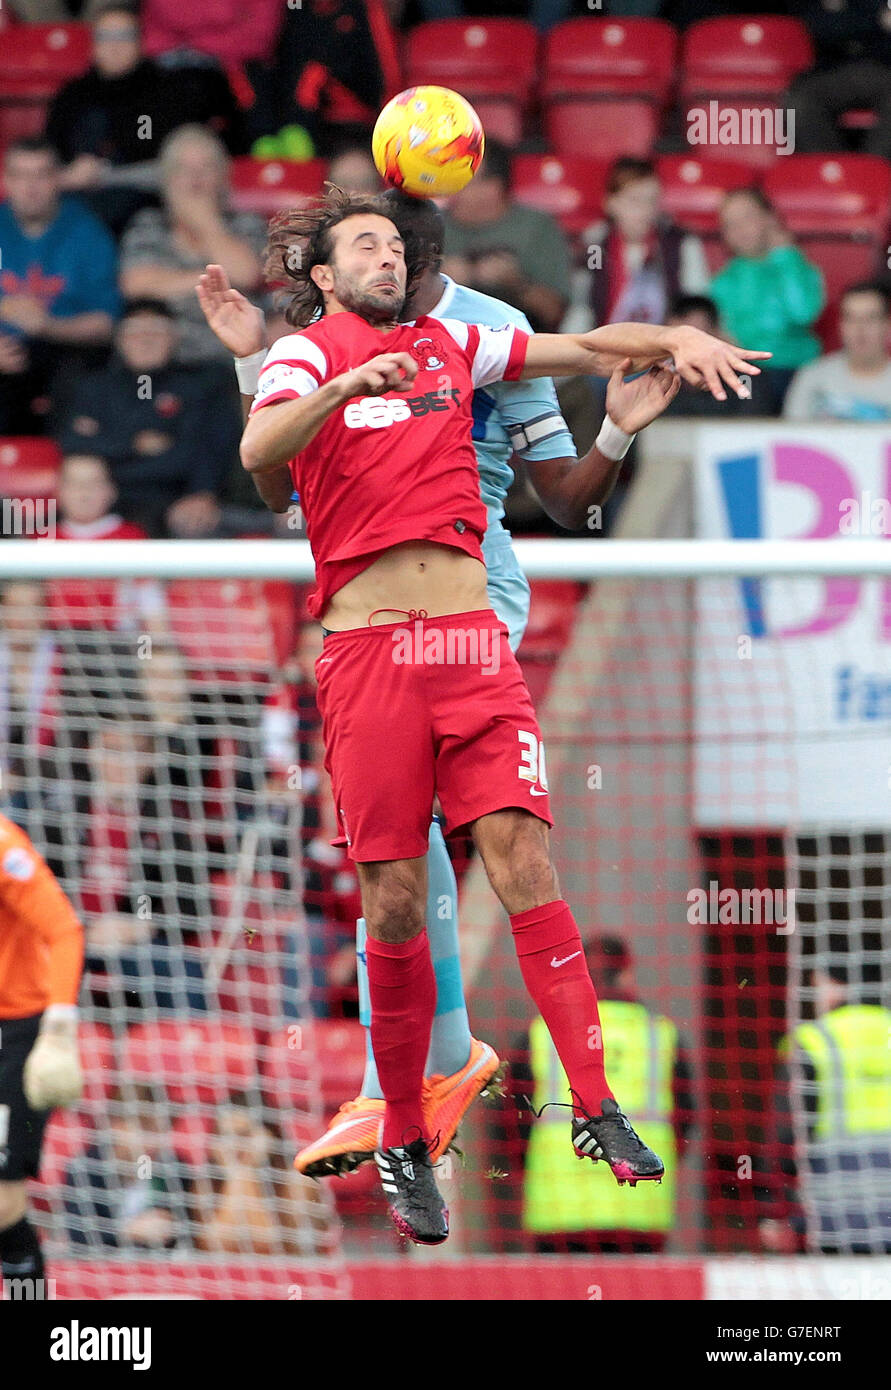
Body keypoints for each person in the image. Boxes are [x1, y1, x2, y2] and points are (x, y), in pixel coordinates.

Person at [234, 186, 767, 1243]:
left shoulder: (454, 344)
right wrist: (343, 386)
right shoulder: (305, 358)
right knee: (390, 901)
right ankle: (404, 1132)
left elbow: (572, 347)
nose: (389, 256)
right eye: (365, 248)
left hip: (473, 647)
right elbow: (259, 455)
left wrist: (667, 335)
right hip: (369, 653)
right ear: (326, 278)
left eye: (396, 243)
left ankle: (596, 1103)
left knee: (526, 859)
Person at [509, 936, 694, 1254]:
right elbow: (686, 1119)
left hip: (558, 1210)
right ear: (626, 975)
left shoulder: (540, 1032)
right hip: (640, 1210)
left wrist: (533, 1167)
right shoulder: (660, 1034)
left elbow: (512, 1121)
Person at [44, 3, 244, 235]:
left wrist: (105, 175)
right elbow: (47, 160)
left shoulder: (171, 90)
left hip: (153, 208)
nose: (114, 46)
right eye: (105, 36)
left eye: (124, 36)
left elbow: (184, 162)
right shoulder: (71, 96)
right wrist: (68, 176)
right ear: (92, 44)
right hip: (78, 204)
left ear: (140, 42)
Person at [56, 298, 238, 536]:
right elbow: (71, 443)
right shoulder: (92, 386)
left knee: (197, 524)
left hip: (175, 500)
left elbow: (203, 451)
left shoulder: (203, 386)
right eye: (134, 331)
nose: (145, 339)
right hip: (103, 498)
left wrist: (202, 493)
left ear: (175, 338)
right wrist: (133, 444)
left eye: (156, 331)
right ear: (119, 339)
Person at [0, 812, 84, 1298]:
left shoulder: (5, 845)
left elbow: (65, 931)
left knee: (3, 1201)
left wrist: (58, 1030)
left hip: (16, 1034)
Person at [769, 961, 891, 1255]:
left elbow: (784, 1136)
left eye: (818, 985)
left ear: (839, 986)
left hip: (836, 1217)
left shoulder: (813, 1040)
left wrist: (773, 1209)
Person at [0, 137, 120, 435]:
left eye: (41, 175)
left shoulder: (88, 231)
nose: (30, 187)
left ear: (58, 180)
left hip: (67, 353)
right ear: (7, 180)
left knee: (83, 383)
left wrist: (46, 326)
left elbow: (106, 324)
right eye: (21, 175)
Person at [119, 126, 264, 366]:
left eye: (206, 168)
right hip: (162, 359)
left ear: (223, 177)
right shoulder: (149, 224)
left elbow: (247, 275)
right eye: (182, 169)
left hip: (229, 358)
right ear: (166, 180)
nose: (195, 179)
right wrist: (214, 282)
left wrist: (206, 224)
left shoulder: (247, 224)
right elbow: (135, 284)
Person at [710, 188, 824, 415]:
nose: (740, 229)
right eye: (730, 224)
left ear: (770, 218)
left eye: (747, 217)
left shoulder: (794, 264)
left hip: (798, 370)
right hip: (749, 374)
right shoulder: (723, 280)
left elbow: (803, 313)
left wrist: (784, 256)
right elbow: (723, 334)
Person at [441, 140, 573, 332]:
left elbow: (554, 312)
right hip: (448, 342)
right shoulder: (434, 225)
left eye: (461, 181)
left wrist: (515, 283)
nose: (450, 190)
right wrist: (440, 283)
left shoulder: (536, 227)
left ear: (493, 187)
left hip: (526, 343)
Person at [588, 157, 710, 330]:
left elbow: (698, 308)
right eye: (635, 201)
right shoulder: (596, 247)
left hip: (666, 346)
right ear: (610, 203)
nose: (646, 211)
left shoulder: (681, 243)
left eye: (652, 201)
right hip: (606, 346)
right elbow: (583, 307)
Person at [785, 0, 891, 162]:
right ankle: (832, 176)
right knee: (797, 102)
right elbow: (820, 27)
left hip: (882, 68)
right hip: (830, 71)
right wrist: (875, 21)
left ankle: (876, 176)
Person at [783, 282, 891, 422]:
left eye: (871, 318)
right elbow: (789, 435)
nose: (860, 329)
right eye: (851, 318)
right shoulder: (812, 376)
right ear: (840, 325)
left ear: (887, 325)